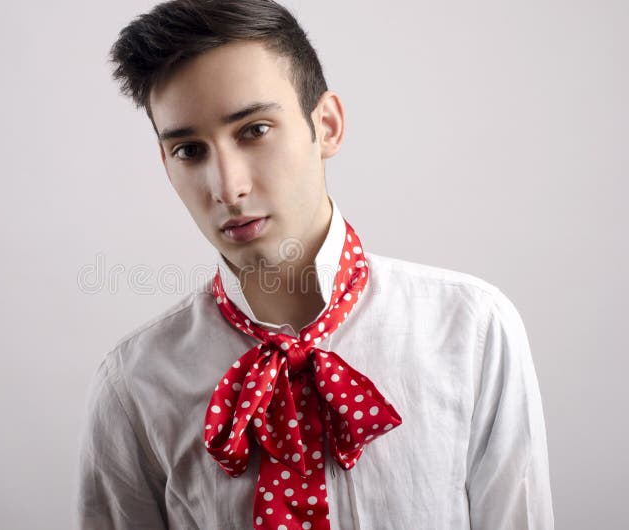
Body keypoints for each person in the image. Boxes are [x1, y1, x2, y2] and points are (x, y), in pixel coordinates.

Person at [77, 1, 554, 528]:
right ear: (167, 166)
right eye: (190, 150)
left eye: (255, 130)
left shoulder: (471, 331)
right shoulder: (134, 384)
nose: (228, 187)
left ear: (325, 126)